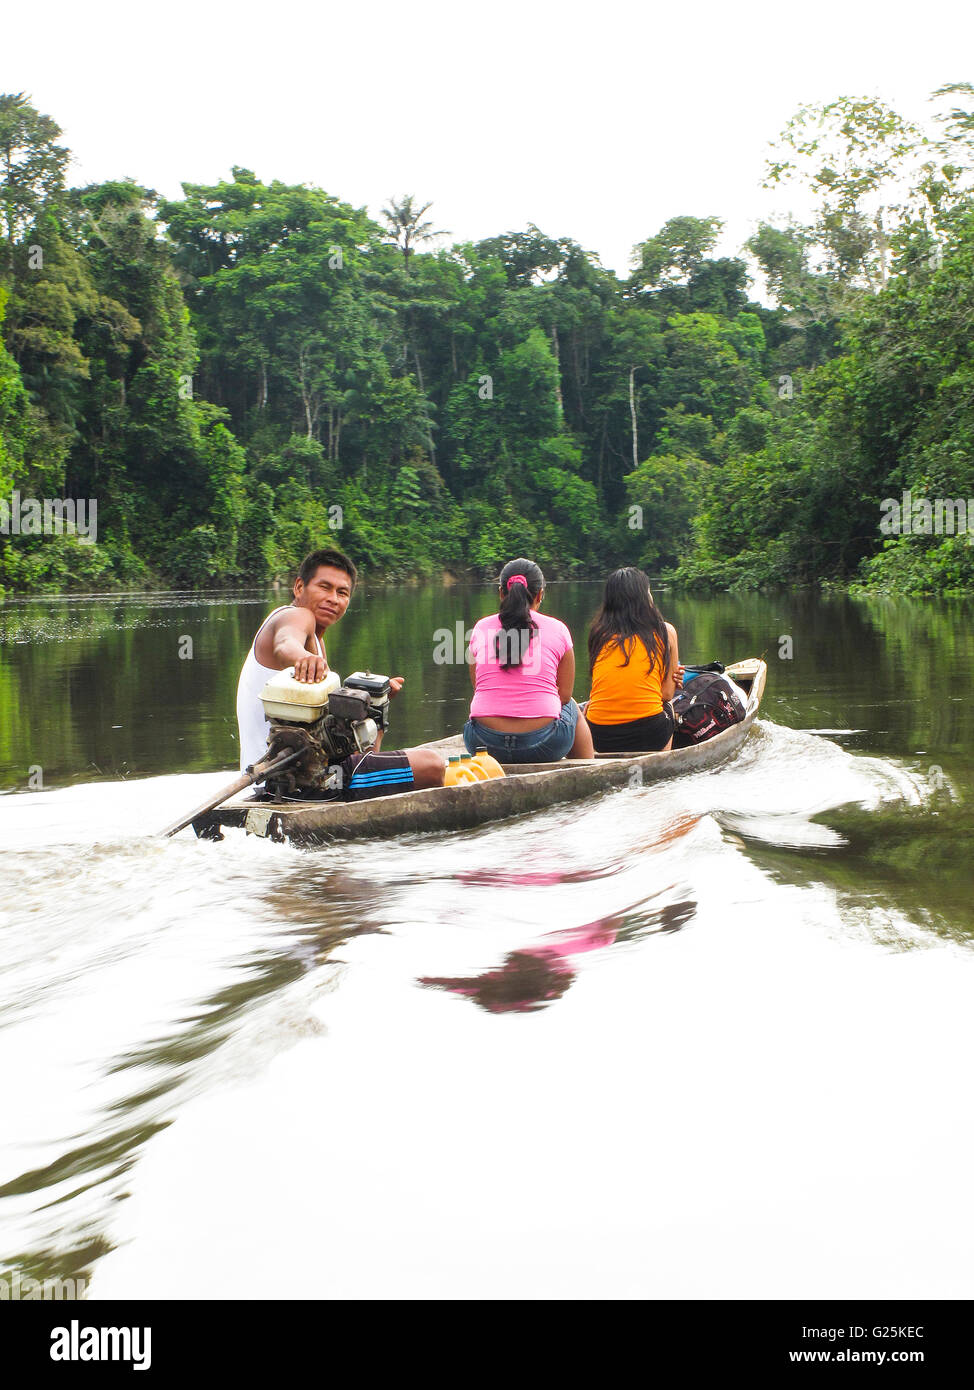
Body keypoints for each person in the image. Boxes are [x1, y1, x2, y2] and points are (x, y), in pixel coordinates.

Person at [235, 547, 445, 798]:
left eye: (342, 592)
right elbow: (285, 643)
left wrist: (375, 704)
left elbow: (335, 743)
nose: (333, 599)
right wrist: (303, 658)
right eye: (324, 588)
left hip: (308, 776)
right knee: (432, 765)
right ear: (299, 587)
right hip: (291, 782)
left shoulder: (317, 642)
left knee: (374, 711)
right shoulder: (295, 616)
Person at [464, 558, 594, 763]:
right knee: (572, 707)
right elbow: (564, 696)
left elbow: (478, 686)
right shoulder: (558, 629)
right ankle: (588, 768)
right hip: (545, 744)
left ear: (501, 593)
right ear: (540, 594)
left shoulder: (480, 628)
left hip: (484, 744)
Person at [584, 567, 684, 753]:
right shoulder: (665, 631)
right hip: (649, 733)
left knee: (587, 705)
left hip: (599, 736)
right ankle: (662, 758)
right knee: (668, 705)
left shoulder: (598, 634)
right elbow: (667, 694)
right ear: (645, 598)